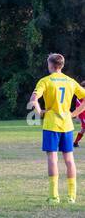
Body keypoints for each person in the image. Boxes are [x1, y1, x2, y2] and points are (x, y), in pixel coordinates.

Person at [26, 53, 85, 203]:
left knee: (52, 159)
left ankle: (54, 197)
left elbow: (33, 99)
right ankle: (71, 196)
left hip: (51, 124)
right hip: (67, 125)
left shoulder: (45, 81)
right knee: (69, 160)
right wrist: (74, 113)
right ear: (62, 65)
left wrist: (39, 112)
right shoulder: (70, 81)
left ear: (51, 65)